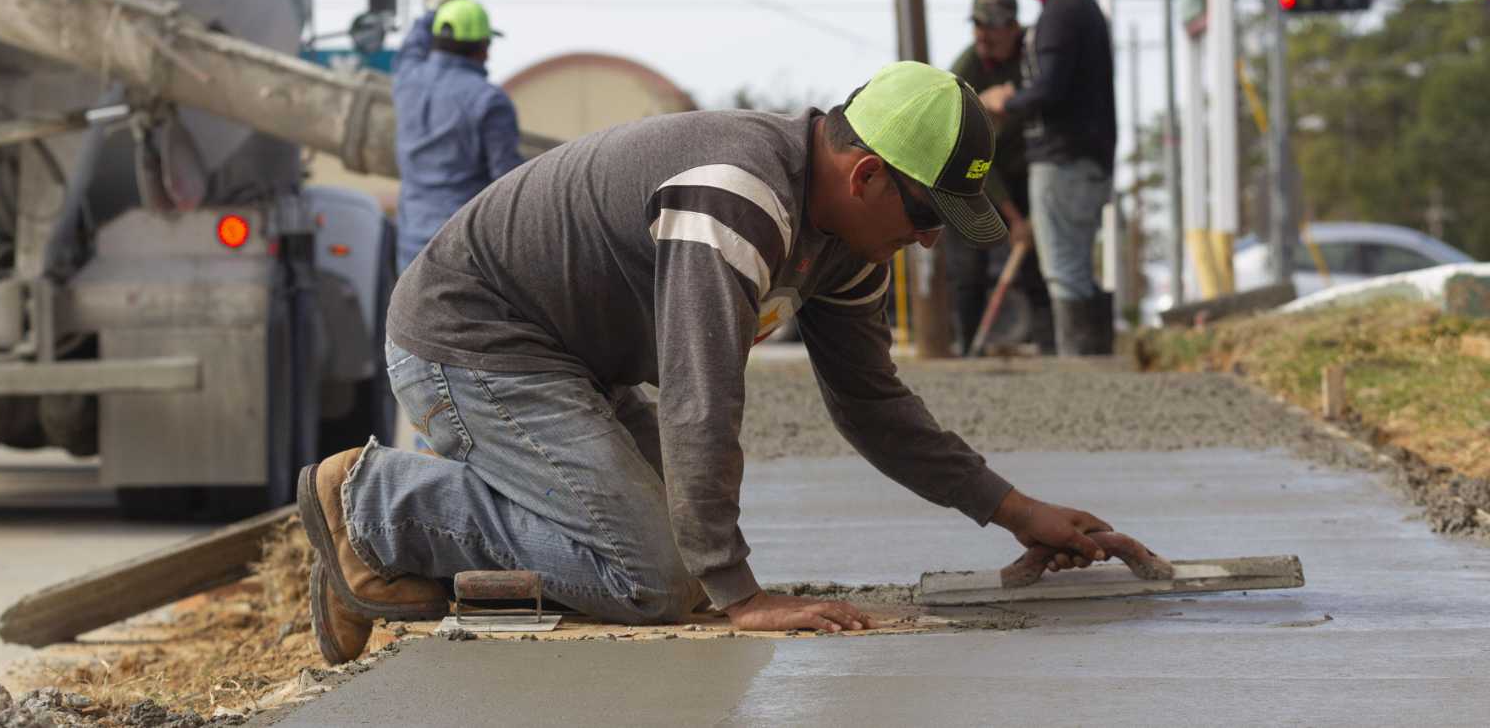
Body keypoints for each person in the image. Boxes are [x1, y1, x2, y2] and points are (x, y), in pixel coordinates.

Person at [300, 61, 1122, 662]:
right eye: (926, 212)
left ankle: (400, 557)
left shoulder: (850, 246)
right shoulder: (738, 195)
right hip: (471, 342)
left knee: (667, 561)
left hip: (572, 371)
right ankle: (375, 505)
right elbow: (701, 398)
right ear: (867, 173)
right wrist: (744, 596)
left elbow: (871, 403)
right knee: (655, 576)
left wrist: (1013, 509)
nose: (931, 238)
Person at [981, 0, 1118, 356]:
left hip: (1066, 158)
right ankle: (1093, 361)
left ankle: (1082, 370)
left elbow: (1053, 87)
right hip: (1078, 157)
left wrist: (1008, 100)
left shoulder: (1064, 8)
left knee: (1064, 269)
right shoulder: (1072, 6)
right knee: (1072, 264)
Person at [946, 0, 1053, 355]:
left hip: (1025, 168)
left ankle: (1052, 349)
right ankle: (969, 351)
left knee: (1037, 267)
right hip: (967, 176)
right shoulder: (964, 73)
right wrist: (1013, 222)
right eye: (976, 26)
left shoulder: (1034, 56)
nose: (981, 37)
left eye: (989, 28)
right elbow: (976, 161)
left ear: (1011, 27)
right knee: (969, 272)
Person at [390, 0, 524, 275]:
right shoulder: (489, 101)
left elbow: (412, 45)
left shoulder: (407, 80)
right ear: (483, 48)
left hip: (410, 248)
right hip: (462, 251)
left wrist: (434, 9)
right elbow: (508, 185)